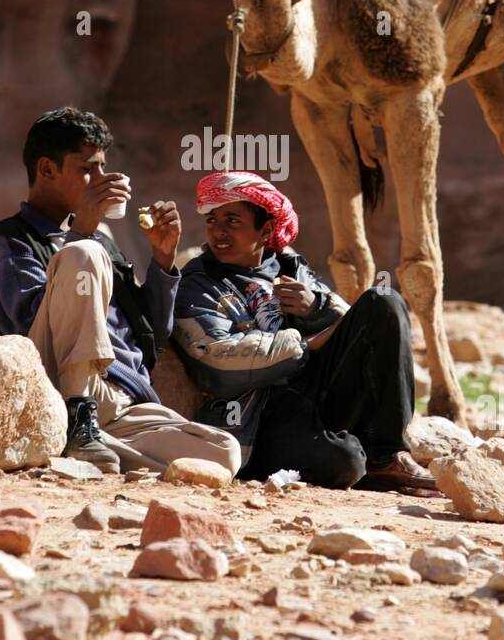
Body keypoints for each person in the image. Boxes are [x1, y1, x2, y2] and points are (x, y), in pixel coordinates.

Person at [0, 108, 241, 478]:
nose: (101, 178)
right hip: (54, 383)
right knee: (83, 254)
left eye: (103, 167)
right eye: (87, 168)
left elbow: (151, 338)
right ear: (47, 170)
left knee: (223, 451)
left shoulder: (102, 243)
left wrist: (162, 258)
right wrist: (79, 236)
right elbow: (29, 323)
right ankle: (75, 421)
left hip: (120, 400)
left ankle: (78, 446)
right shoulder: (14, 240)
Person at [172, 170, 438, 494]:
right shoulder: (198, 283)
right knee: (345, 462)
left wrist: (316, 308)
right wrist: (304, 344)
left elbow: (349, 323)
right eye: (213, 220)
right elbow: (216, 360)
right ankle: (361, 459)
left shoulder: (289, 267)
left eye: (232, 221)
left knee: (383, 301)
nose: (218, 232)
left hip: (317, 395)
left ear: (266, 228)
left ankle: (386, 454)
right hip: (260, 415)